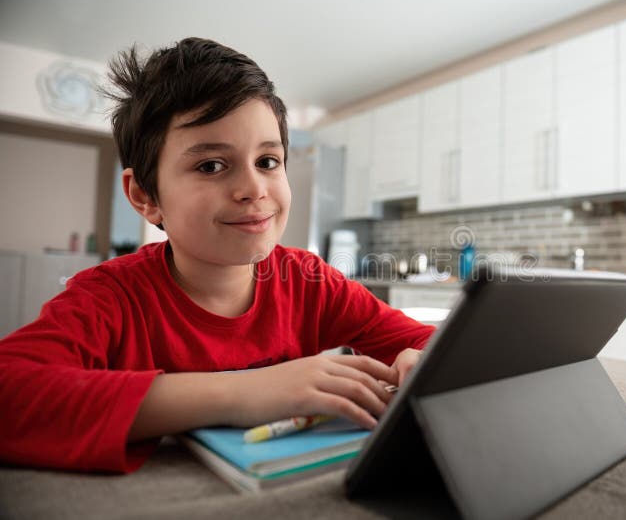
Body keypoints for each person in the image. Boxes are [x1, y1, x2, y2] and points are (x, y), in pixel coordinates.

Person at [0, 37, 434, 473]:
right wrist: (245, 392)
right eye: (211, 165)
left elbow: (433, 346)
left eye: (268, 161)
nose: (254, 189)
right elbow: (11, 391)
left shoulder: (308, 280)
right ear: (145, 195)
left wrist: (419, 360)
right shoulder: (109, 297)